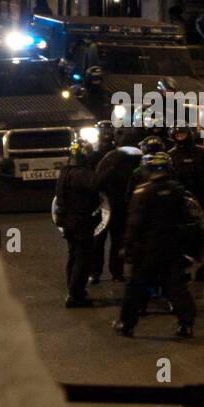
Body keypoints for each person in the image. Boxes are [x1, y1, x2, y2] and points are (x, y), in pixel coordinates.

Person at [115, 153, 197, 339]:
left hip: (147, 248)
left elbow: (135, 223)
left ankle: (126, 323)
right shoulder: (177, 191)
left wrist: (126, 246)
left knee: (135, 286)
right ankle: (186, 324)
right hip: (171, 245)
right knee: (177, 286)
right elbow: (188, 218)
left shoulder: (142, 192)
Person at [54, 140, 104, 308]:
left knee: (73, 256)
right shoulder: (81, 173)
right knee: (83, 259)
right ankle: (75, 296)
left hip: (68, 220)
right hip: (81, 221)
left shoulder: (65, 172)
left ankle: (73, 291)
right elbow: (97, 184)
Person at [94, 139, 143, 282]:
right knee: (116, 240)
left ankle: (96, 272)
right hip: (118, 206)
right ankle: (116, 272)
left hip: (106, 205)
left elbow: (98, 182)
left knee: (100, 241)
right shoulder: (133, 160)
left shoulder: (108, 159)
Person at [168, 124, 204, 280]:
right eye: (177, 135)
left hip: (201, 200)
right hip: (181, 203)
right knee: (182, 237)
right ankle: (183, 270)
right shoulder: (171, 155)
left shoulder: (201, 153)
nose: (180, 137)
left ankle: (202, 271)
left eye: (183, 135)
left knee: (203, 236)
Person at [88, 120, 119, 284]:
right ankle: (96, 271)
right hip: (101, 202)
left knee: (115, 239)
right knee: (99, 239)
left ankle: (114, 271)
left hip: (113, 201)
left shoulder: (118, 154)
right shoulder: (94, 155)